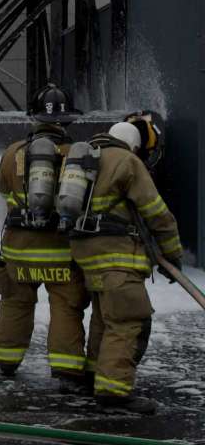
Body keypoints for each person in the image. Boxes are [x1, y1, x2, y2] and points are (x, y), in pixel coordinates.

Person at [63, 121, 182, 414]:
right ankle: (114, 391)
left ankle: (95, 375)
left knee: (105, 318)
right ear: (134, 145)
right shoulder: (128, 161)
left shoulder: (84, 159)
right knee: (130, 321)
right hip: (117, 257)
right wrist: (172, 253)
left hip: (86, 256)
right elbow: (156, 212)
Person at [0, 84, 90, 391]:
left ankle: (6, 360)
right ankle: (66, 369)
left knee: (15, 302)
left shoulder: (12, 153)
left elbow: (3, 189)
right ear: (68, 120)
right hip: (62, 252)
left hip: (19, 250)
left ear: (33, 118)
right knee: (65, 307)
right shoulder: (80, 155)